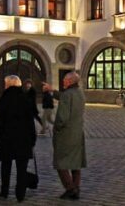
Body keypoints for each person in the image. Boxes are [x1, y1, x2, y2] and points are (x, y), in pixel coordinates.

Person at [0, 75, 36, 202]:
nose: (4, 86)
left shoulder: (4, 99)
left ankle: (4, 191)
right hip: (24, 139)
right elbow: (30, 121)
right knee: (22, 169)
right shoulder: (25, 99)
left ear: (9, 85)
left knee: (6, 166)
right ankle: (20, 194)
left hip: (7, 139)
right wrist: (33, 138)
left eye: (5, 84)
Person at [53, 71, 86, 200]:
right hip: (78, 133)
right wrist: (53, 91)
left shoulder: (67, 95)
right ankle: (76, 188)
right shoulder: (80, 93)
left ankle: (70, 188)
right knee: (76, 162)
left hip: (66, 134)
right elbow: (66, 98)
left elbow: (62, 117)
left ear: (70, 82)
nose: (63, 82)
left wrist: (57, 128)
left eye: (65, 80)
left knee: (60, 162)